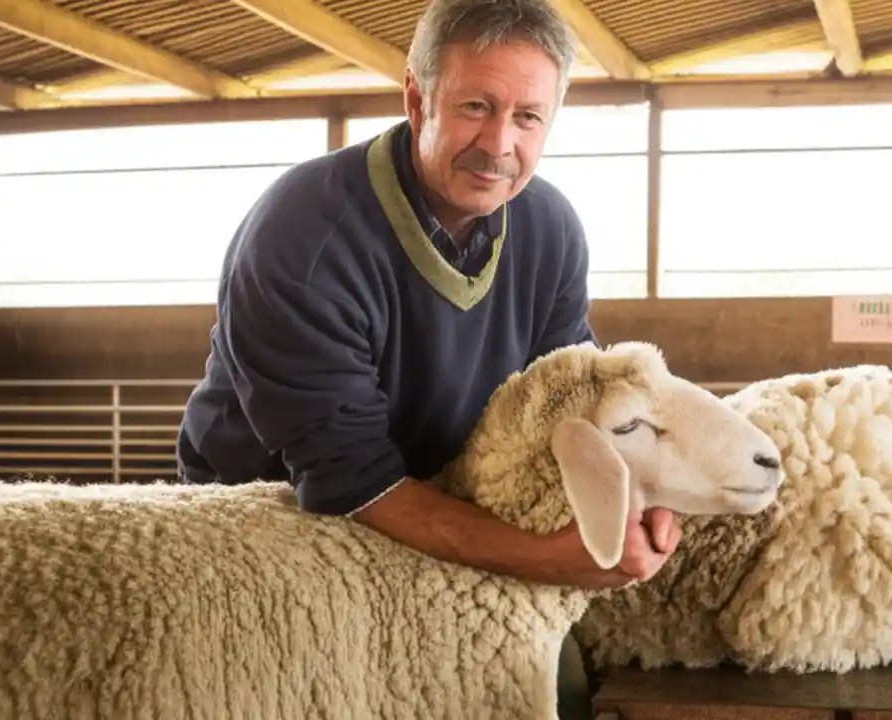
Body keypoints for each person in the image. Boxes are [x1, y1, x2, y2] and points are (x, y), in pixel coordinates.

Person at [175, 0, 680, 591]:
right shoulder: (304, 234)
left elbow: (570, 392)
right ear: (416, 100)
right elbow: (348, 478)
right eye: (476, 107)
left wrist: (644, 490)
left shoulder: (550, 228)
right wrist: (546, 559)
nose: (498, 144)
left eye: (528, 117)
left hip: (436, 498)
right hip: (267, 513)